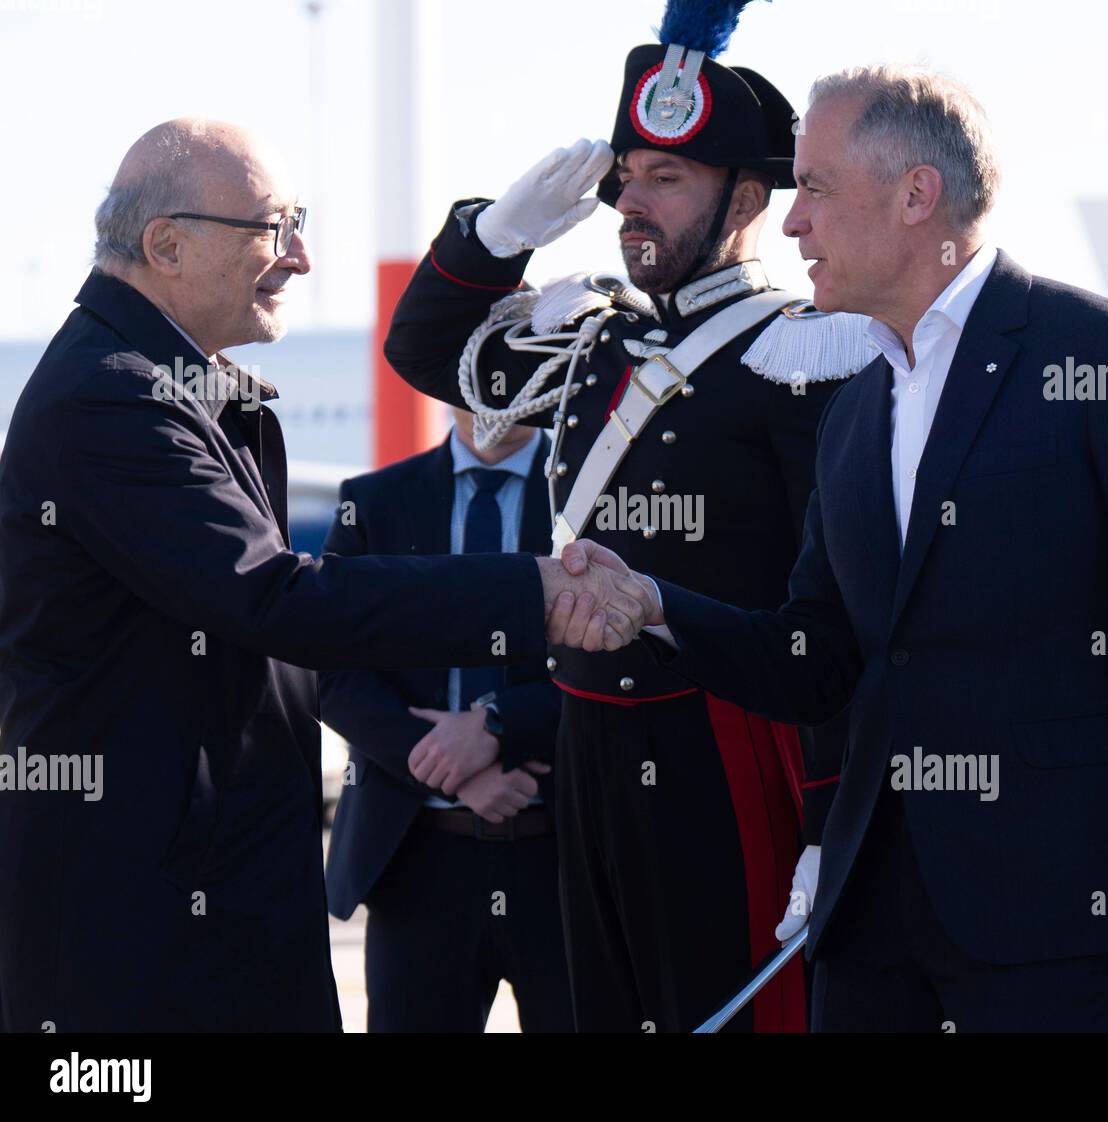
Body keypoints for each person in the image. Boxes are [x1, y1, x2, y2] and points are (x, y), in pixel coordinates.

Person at [560, 63, 1108, 1032]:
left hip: (1050, 916)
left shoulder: (1098, 355)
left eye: (813, 187)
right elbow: (816, 654)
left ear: (916, 196)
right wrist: (655, 606)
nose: (789, 223)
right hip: (870, 921)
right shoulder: (856, 403)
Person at [0, 119, 647, 1033]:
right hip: (145, 929)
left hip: (208, 893)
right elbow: (275, 599)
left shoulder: (176, 383)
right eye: (272, 227)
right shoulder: (110, 397)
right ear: (166, 244)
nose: (299, 257)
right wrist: (531, 592)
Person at [383, 11, 875, 1032]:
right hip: (589, 743)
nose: (630, 206)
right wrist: (493, 238)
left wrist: (829, 817)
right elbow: (426, 353)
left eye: (667, 180)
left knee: (737, 1013)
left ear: (744, 199)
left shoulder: (804, 357)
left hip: (730, 746)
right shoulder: (597, 340)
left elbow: (838, 618)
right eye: (628, 177)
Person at [321, 409, 572, 1032]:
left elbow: (635, 656)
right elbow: (326, 665)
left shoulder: (591, 495)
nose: (495, 395)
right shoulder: (375, 501)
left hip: (568, 857)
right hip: (418, 863)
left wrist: (498, 726)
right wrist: (447, 767)